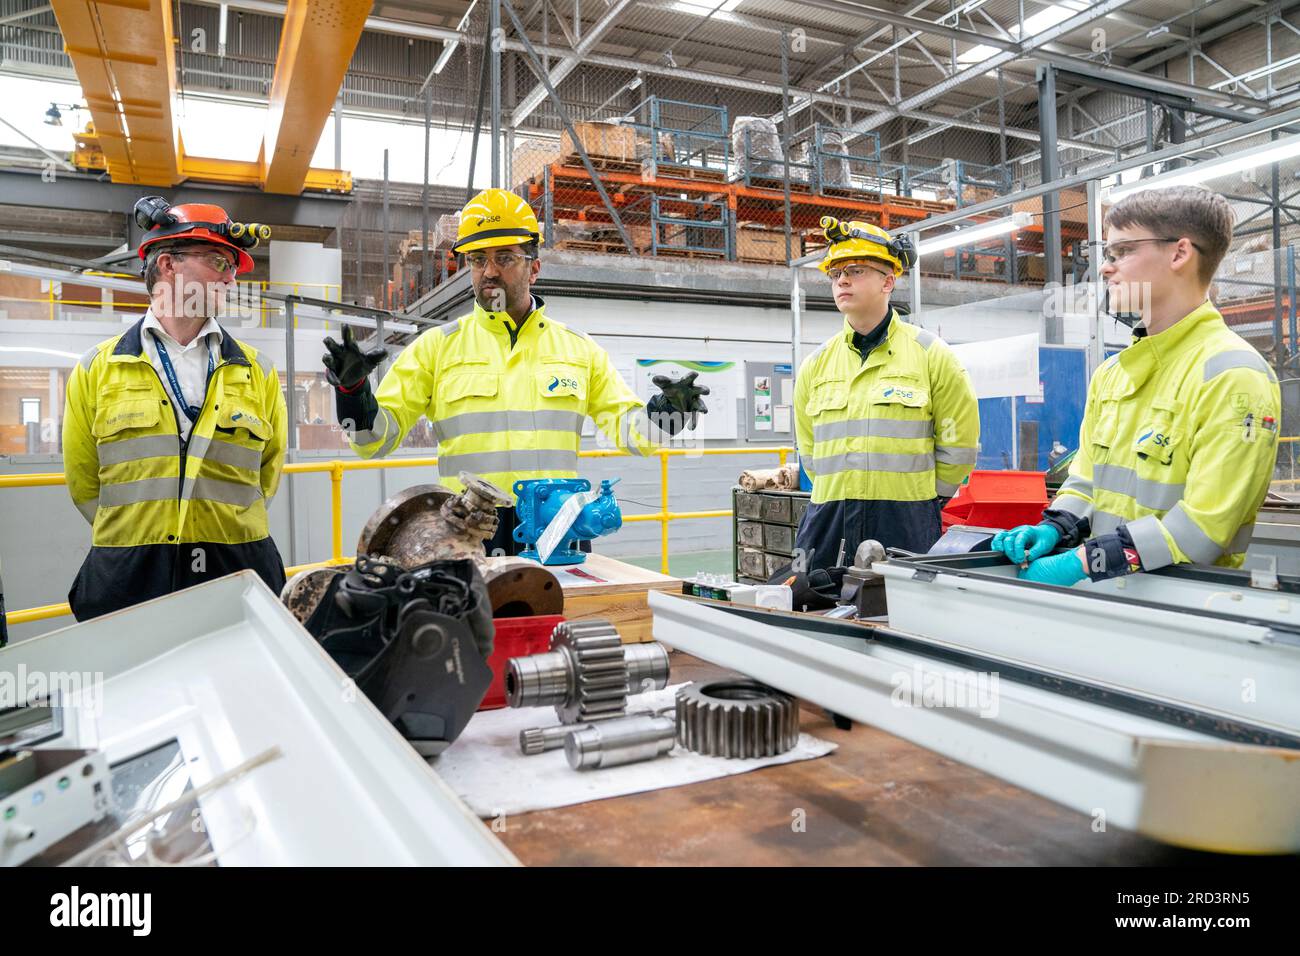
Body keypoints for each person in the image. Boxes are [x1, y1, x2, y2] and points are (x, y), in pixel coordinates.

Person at [323, 188, 710, 554]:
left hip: (558, 530)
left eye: (505, 258)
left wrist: (668, 412)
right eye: (478, 260)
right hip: (468, 533)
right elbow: (371, 442)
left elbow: (633, 434)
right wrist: (352, 393)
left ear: (534, 268)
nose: (489, 271)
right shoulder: (435, 348)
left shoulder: (579, 349)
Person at [992, 185, 1280, 585]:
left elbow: (1202, 529)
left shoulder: (1233, 377)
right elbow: (1087, 483)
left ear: (1179, 253)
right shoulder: (1113, 375)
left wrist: (1080, 564)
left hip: (1185, 606)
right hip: (1109, 595)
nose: (1105, 269)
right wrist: (1056, 527)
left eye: (1123, 251)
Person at [62, 197, 287, 620]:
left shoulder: (258, 371)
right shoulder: (98, 369)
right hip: (131, 574)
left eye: (233, 267)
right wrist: (143, 536)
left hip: (235, 565)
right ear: (168, 265)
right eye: (219, 262)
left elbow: (267, 478)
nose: (231, 277)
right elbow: (84, 483)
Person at [792, 218, 980, 572]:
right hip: (829, 520)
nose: (842, 280)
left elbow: (960, 448)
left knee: (901, 603)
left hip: (905, 521)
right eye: (835, 273)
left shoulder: (931, 356)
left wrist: (923, 500)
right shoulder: (815, 365)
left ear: (888, 281)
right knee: (814, 597)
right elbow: (810, 453)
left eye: (856, 270)